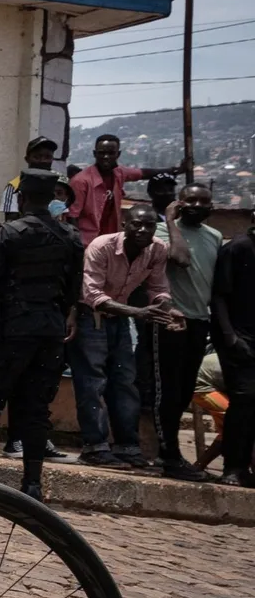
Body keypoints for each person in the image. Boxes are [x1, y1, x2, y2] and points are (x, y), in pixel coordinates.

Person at [0, 170, 82, 497]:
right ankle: (32, 485)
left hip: (9, 332)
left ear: (21, 197)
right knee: (35, 408)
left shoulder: (8, 234)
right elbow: (72, 290)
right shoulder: (70, 237)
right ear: (52, 199)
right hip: (48, 334)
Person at [71, 203, 178, 467]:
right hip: (90, 316)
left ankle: (127, 446)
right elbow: (92, 295)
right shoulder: (101, 246)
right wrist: (140, 312)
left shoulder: (157, 249)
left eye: (149, 225)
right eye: (137, 224)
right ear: (124, 225)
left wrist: (166, 309)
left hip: (120, 317)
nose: (143, 230)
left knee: (124, 382)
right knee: (93, 382)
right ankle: (94, 447)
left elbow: (158, 287)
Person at [150, 185, 219, 480]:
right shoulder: (161, 232)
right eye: (191, 200)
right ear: (179, 203)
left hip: (199, 321)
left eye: (203, 201)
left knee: (184, 392)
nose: (197, 205)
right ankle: (169, 455)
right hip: (170, 320)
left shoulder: (214, 236)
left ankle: (171, 453)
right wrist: (169, 220)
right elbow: (180, 258)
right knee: (168, 390)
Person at [68, 133, 186, 247]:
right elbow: (72, 215)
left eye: (111, 153)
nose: (106, 157)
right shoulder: (81, 181)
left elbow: (143, 173)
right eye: (102, 153)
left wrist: (175, 170)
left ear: (118, 154)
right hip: (88, 242)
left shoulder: (119, 173)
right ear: (95, 154)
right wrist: (77, 245)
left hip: (112, 240)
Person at [212, 224, 255, 487]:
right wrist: (230, 336)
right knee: (244, 398)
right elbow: (218, 296)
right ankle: (232, 466)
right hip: (238, 338)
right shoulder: (238, 248)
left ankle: (243, 466)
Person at [1, 136, 58, 216]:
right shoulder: (13, 187)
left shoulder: (59, 185)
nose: (42, 161)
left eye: (47, 157)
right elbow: (11, 222)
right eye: (37, 157)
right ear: (27, 159)